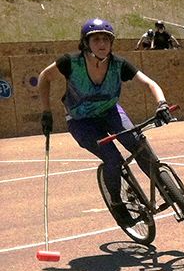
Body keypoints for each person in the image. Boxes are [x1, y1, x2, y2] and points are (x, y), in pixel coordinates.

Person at [37, 18, 173, 225]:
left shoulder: (119, 65)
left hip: (110, 112)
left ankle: (166, 188)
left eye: (106, 39)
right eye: (96, 39)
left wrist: (161, 103)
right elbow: (44, 77)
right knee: (112, 158)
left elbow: (148, 84)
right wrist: (46, 111)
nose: (102, 44)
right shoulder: (71, 63)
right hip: (81, 121)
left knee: (137, 143)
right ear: (86, 43)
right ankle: (117, 203)